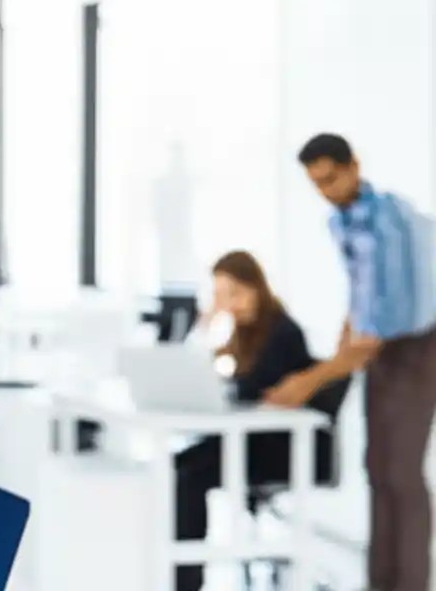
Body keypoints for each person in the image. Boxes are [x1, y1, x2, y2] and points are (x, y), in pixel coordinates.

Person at [265, 133, 436, 591]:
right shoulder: (342, 221)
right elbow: (364, 292)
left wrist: (308, 381)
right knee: (377, 466)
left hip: (417, 347)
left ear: (354, 166)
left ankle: (410, 584)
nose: (327, 191)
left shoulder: (389, 224)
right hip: (379, 345)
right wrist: (347, 326)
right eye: (317, 183)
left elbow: (379, 329)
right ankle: (379, 582)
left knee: (401, 471)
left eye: (332, 178)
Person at [175, 251, 319, 591]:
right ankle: (181, 572)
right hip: (247, 438)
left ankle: (187, 581)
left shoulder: (283, 332)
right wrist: (207, 322)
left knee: (189, 476)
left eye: (234, 294)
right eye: (221, 295)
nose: (230, 304)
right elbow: (195, 365)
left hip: (279, 447)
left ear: (256, 288)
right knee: (179, 465)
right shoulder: (244, 333)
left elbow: (254, 389)